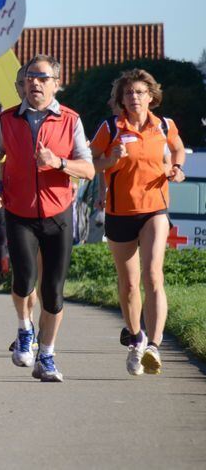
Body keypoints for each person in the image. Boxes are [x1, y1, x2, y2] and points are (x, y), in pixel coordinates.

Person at [0, 54, 94, 382]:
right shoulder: (7, 119)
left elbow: (87, 169)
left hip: (58, 213)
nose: (35, 82)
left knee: (53, 291)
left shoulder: (71, 120)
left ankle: (47, 355)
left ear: (56, 84)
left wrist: (57, 162)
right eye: (30, 76)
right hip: (19, 212)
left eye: (42, 77)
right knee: (23, 280)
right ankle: (24, 328)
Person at [90, 69, 185, 375]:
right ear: (121, 98)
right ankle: (136, 338)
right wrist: (111, 159)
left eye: (140, 92)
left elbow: (178, 148)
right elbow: (90, 163)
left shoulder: (164, 126)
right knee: (129, 284)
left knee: (153, 274)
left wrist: (177, 168)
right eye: (128, 93)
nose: (134, 98)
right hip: (120, 213)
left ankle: (155, 346)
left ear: (151, 96)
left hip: (155, 209)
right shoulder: (109, 127)